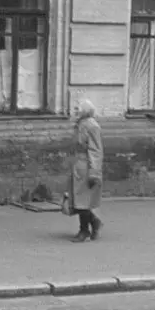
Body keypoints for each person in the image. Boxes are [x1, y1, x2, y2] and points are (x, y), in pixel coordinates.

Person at [68, 99, 104, 242]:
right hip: (78, 164)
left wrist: (94, 171)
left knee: (82, 200)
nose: (75, 111)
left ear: (85, 110)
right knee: (78, 199)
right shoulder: (80, 124)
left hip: (86, 166)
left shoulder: (92, 126)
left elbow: (95, 150)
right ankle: (94, 222)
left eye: (78, 109)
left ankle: (84, 230)